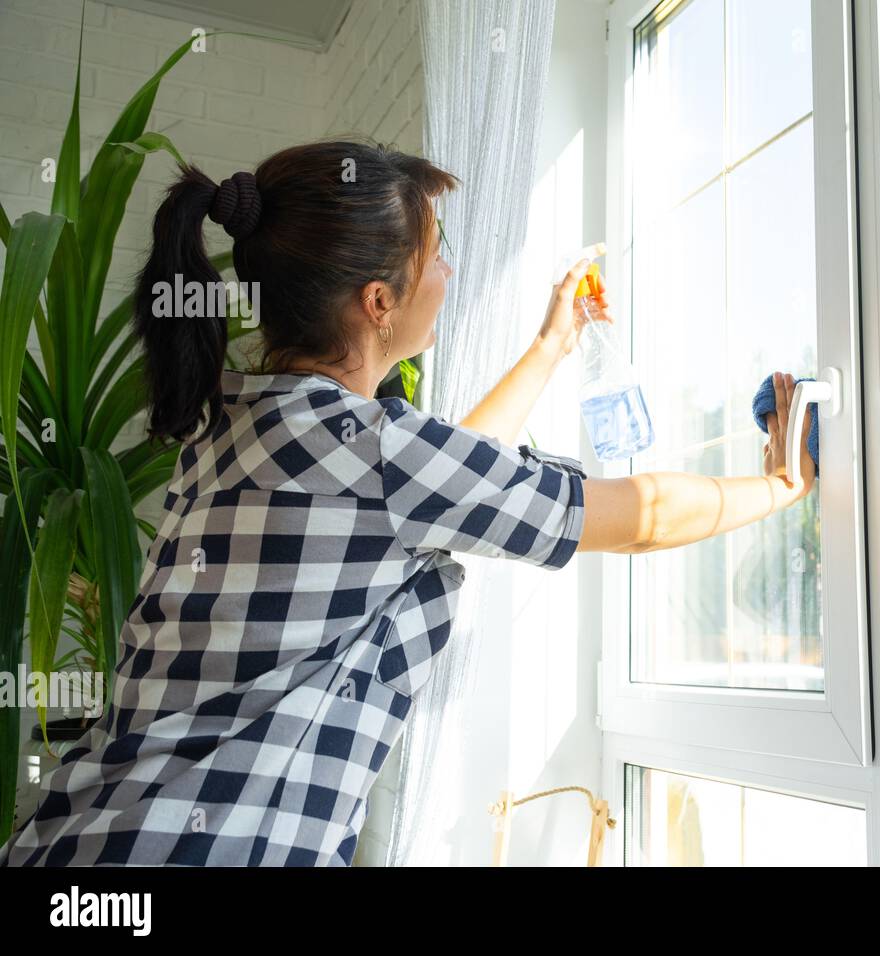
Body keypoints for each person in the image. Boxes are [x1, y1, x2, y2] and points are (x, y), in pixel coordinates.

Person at [0, 140, 814, 866]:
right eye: (436, 254)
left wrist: (550, 347)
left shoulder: (232, 423)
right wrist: (778, 488)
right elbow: (643, 517)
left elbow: (438, 487)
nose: (449, 274)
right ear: (378, 301)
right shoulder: (375, 453)